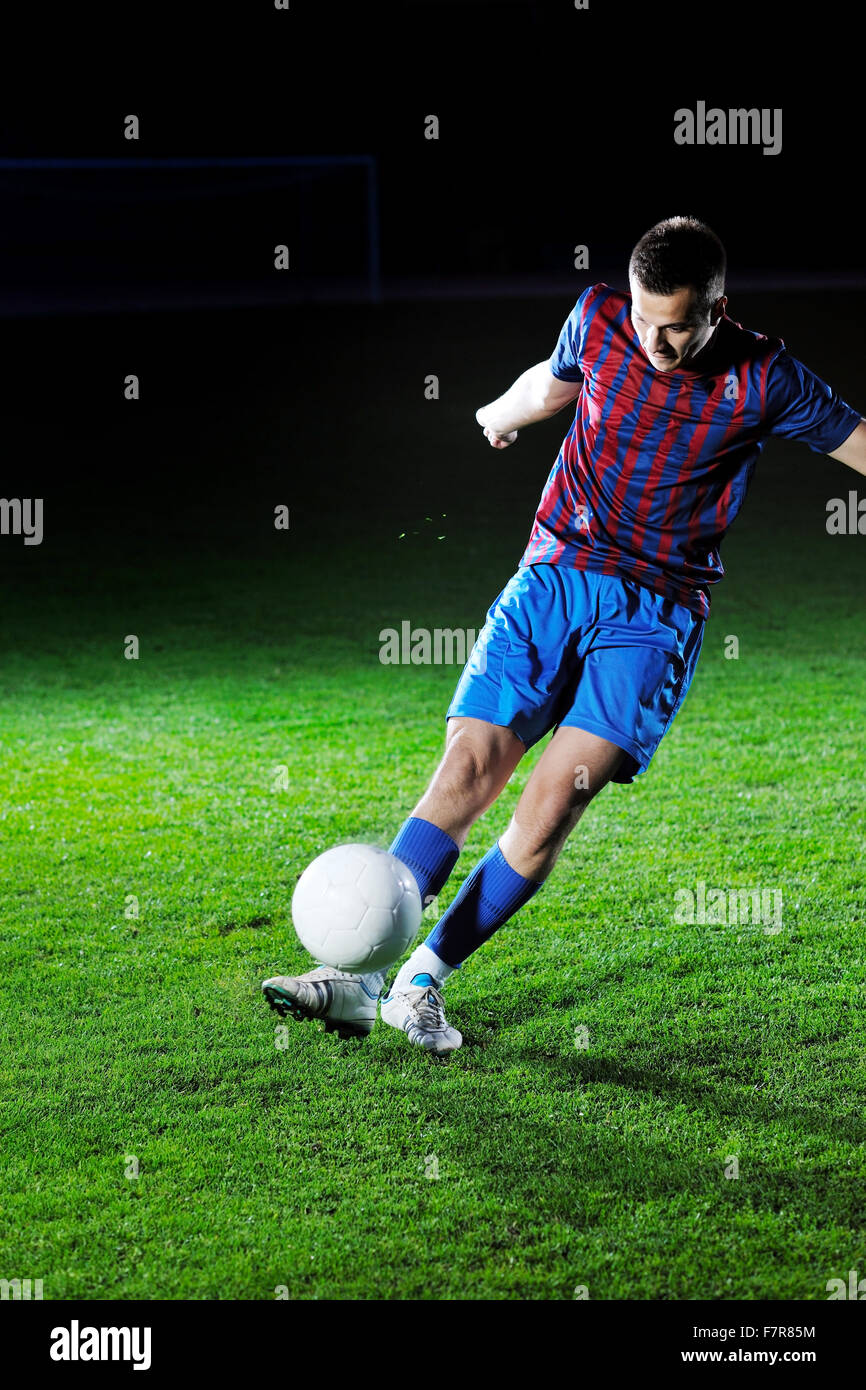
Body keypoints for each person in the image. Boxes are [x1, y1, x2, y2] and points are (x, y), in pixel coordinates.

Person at [262, 216, 866, 1053]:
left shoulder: (765, 377)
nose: (655, 339)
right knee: (467, 769)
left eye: (678, 325)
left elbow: (859, 443)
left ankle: (421, 981)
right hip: (553, 577)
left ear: (718, 311)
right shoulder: (599, 318)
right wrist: (494, 415)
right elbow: (556, 382)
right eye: (645, 318)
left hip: (655, 616)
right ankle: (359, 982)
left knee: (552, 806)